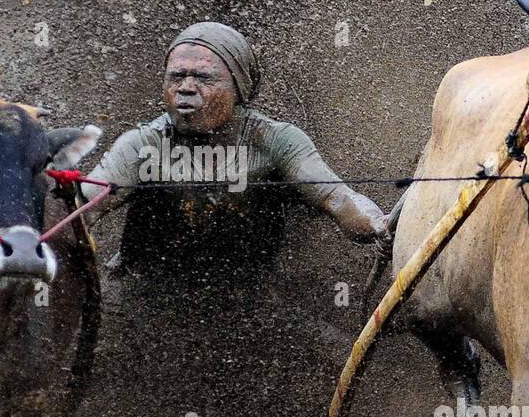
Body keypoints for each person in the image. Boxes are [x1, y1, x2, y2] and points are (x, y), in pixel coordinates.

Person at [81, 23, 390, 281]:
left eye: (203, 77)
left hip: (251, 295)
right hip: (149, 294)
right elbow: (80, 208)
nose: (186, 87)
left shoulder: (275, 140)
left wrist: (374, 223)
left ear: (239, 88)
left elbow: (337, 197)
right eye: (177, 76)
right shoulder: (141, 144)